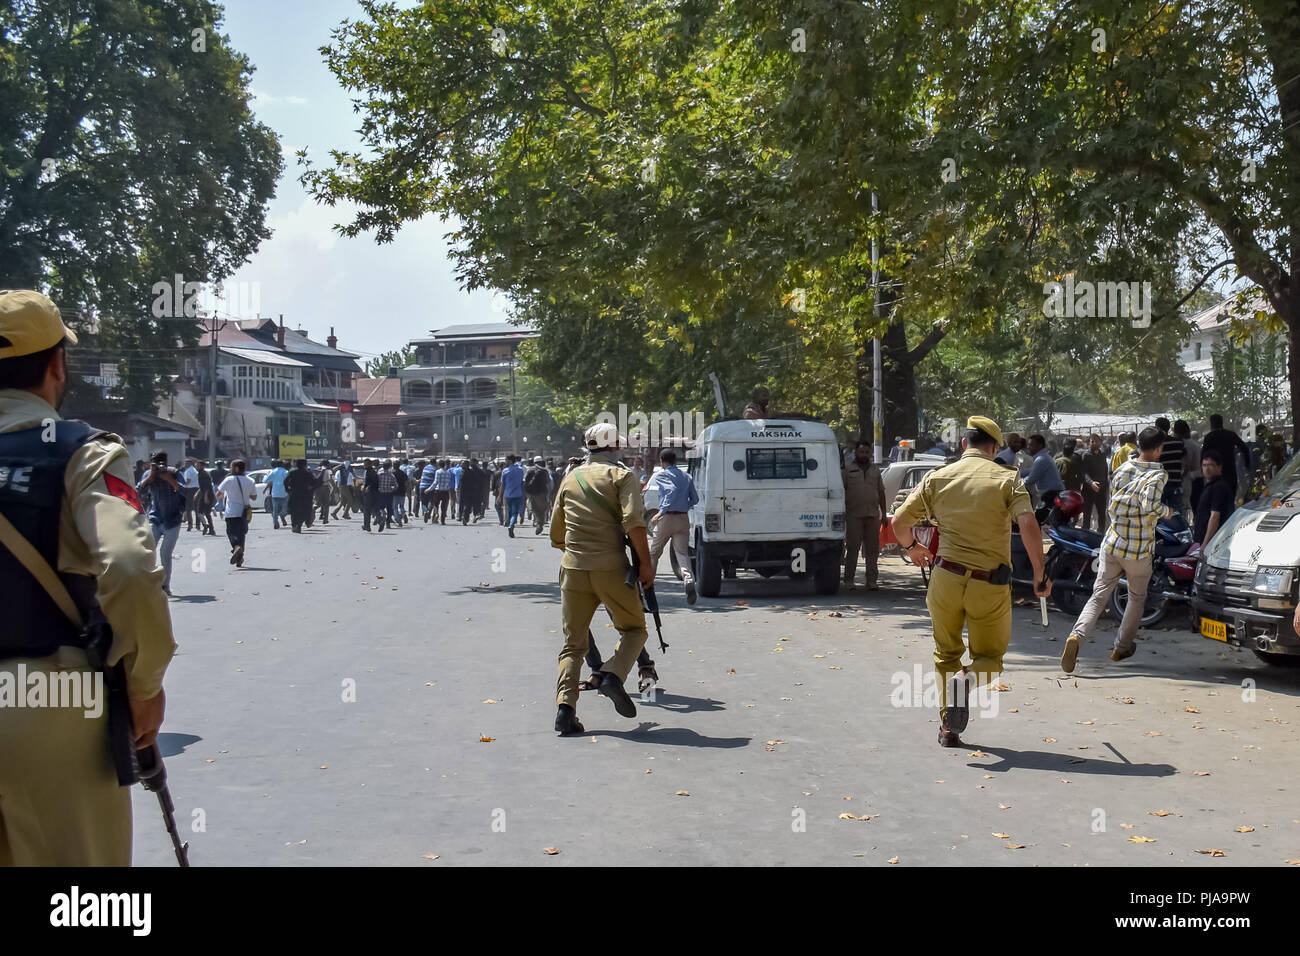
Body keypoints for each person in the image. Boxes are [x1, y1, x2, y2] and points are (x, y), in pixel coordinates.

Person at [0, 288, 175, 865]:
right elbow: (127, 566)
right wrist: (144, 685)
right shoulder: (83, 452)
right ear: (56, 365)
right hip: (49, 704)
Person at [892, 416, 1049, 748]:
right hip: (988, 585)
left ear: (964, 445)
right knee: (990, 657)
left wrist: (912, 548)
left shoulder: (938, 477)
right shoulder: (1008, 479)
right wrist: (1039, 574)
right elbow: (1028, 525)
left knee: (945, 654)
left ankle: (949, 729)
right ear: (993, 448)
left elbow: (900, 522)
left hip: (944, 578)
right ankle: (968, 680)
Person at [549, 422, 655, 735]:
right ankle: (612, 674)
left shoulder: (570, 478)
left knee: (573, 644)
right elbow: (634, 523)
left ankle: (565, 710)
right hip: (611, 568)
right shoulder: (622, 476)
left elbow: (557, 533)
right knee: (635, 630)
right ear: (613, 447)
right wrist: (646, 565)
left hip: (573, 569)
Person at [1060, 426, 1169, 674]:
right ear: (1159, 449)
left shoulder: (1123, 468)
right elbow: (1151, 505)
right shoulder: (1157, 475)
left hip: (1112, 543)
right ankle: (1122, 646)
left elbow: (1112, 501)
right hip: (1138, 550)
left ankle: (1077, 636)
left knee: (1098, 595)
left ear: (1138, 446)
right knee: (1136, 597)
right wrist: (1167, 512)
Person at [646, 448, 700, 603]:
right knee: (682, 554)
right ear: (675, 461)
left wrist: (661, 512)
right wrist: (683, 506)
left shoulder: (662, 475)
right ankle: (689, 580)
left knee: (654, 553)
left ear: (663, 461)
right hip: (683, 518)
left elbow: (671, 491)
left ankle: (648, 584)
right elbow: (695, 499)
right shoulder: (686, 476)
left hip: (667, 518)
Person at [136, 451, 185, 595]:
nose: (159, 465)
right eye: (156, 462)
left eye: (161, 462)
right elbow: (137, 490)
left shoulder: (174, 473)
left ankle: (165, 585)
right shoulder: (148, 474)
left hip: (173, 519)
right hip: (155, 517)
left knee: (165, 553)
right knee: (149, 550)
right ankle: (148, 583)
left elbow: (184, 491)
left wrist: (169, 479)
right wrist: (151, 477)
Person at [841, 440, 887, 590]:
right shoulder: (848, 471)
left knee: (872, 550)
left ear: (870, 453)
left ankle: (871, 581)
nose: (864, 454)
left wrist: (884, 514)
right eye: (861, 452)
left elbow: (881, 492)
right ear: (856, 452)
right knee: (852, 549)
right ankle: (849, 580)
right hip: (854, 515)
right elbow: (841, 492)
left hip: (873, 516)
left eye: (867, 452)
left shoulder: (875, 471)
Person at [216, 459, 257, 567]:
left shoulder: (229, 480)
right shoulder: (250, 481)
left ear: (236, 468)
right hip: (244, 512)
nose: (230, 469)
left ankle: (236, 547)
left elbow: (218, 494)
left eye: (231, 467)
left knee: (231, 532)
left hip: (231, 512)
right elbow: (254, 497)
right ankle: (240, 558)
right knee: (241, 535)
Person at [1201, 414, 1252, 501]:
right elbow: (1244, 448)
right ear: (1222, 422)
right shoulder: (1230, 434)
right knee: (1230, 497)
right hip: (1230, 470)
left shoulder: (1209, 437)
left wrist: (1203, 473)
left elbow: (1203, 455)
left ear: (1211, 424)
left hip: (1215, 472)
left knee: (1217, 499)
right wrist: (1247, 464)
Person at [1193, 450, 1234, 547]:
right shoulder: (1210, 486)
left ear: (1219, 467)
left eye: (1210, 465)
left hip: (1213, 544)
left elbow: (1215, 516)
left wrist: (1205, 544)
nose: (1207, 469)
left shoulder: (1219, 487)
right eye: (1204, 465)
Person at [1020, 433, 1064, 521]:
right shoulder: (1042, 457)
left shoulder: (1041, 459)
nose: (1028, 447)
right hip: (1052, 494)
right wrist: (1015, 473)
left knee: (1040, 522)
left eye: (1031, 445)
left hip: (1051, 495)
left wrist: (1016, 482)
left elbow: (1031, 479)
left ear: (1039, 446)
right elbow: (1030, 471)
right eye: (1028, 445)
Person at [1080, 433, 1109, 533]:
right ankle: (1085, 534)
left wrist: (1105, 485)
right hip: (1089, 490)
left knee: (1102, 514)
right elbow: (1083, 473)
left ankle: (1101, 534)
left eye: (1096, 441)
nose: (1094, 443)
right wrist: (1091, 483)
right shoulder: (1086, 455)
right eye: (1092, 441)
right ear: (1089, 443)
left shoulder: (1102, 455)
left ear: (1100, 442)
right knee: (1087, 514)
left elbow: (1105, 471)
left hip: (1101, 490)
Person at [1154, 417, 1185, 512]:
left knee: (1160, 515)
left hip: (1159, 485)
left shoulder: (1155, 444)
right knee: (1177, 514)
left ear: (1157, 428)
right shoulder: (1179, 443)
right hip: (1176, 483)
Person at [284, 459, 320, 533]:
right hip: (305, 494)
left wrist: (288, 490)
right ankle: (299, 525)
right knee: (304, 510)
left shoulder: (292, 472)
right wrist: (311, 490)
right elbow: (315, 482)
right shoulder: (308, 473)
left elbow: (285, 482)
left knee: (294, 511)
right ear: (305, 465)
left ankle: (294, 525)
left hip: (294, 494)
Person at [1175, 420, 1200, 516]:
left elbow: (1185, 466)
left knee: (1183, 511)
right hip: (1198, 481)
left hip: (1185, 482)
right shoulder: (1196, 445)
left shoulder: (1182, 445)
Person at [524, 455, 552, 534]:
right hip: (542, 493)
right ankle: (540, 523)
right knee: (542, 509)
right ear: (541, 462)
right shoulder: (544, 471)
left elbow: (525, 482)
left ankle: (538, 521)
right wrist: (549, 493)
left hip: (532, 493)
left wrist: (527, 493)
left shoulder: (529, 470)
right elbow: (548, 483)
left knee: (535, 509)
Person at [501, 454, 526, 537]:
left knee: (510, 511)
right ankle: (511, 525)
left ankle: (510, 524)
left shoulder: (505, 471)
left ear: (510, 461)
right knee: (515, 512)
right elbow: (521, 481)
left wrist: (499, 496)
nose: (505, 462)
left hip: (508, 494)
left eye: (506, 460)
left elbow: (502, 484)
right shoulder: (520, 470)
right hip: (518, 494)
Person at [362, 459, 385, 532]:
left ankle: (367, 526)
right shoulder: (369, 472)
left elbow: (374, 482)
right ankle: (380, 521)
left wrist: (368, 487)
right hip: (374, 493)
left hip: (370, 493)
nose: (364, 466)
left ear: (369, 465)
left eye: (365, 464)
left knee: (367, 510)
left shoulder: (371, 472)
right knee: (375, 509)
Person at [194, 458, 216, 535]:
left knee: (205, 513)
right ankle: (207, 526)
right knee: (201, 512)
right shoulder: (200, 473)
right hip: (203, 494)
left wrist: (206, 497)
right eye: (196, 466)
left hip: (207, 495)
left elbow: (207, 486)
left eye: (198, 466)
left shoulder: (203, 474)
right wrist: (197, 492)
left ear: (202, 466)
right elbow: (202, 486)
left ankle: (210, 529)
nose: (196, 467)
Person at [268, 458, 289, 529]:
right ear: (283, 465)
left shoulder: (272, 472)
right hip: (284, 493)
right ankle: (281, 515)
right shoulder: (285, 472)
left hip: (274, 493)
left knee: (275, 509)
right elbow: (289, 481)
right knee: (284, 510)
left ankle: (275, 522)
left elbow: (265, 480)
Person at [430, 458, 453, 525]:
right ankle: (443, 520)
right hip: (446, 491)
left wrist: (429, 489)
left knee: (435, 504)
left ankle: (436, 514)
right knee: (444, 507)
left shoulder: (438, 472)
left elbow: (435, 482)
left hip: (438, 491)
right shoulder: (449, 472)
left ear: (439, 465)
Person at [377, 460, 398, 527]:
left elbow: (376, 483)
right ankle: (388, 523)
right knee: (389, 508)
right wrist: (392, 489)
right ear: (389, 467)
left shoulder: (379, 474)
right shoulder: (391, 475)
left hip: (380, 493)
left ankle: (382, 514)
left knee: (380, 506)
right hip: (389, 493)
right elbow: (396, 485)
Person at [391, 459, 407, 525]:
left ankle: (398, 520)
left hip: (394, 492)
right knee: (401, 506)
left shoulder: (392, 473)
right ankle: (403, 515)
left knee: (394, 507)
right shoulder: (402, 473)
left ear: (393, 466)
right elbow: (406, 481)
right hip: (402, 491)